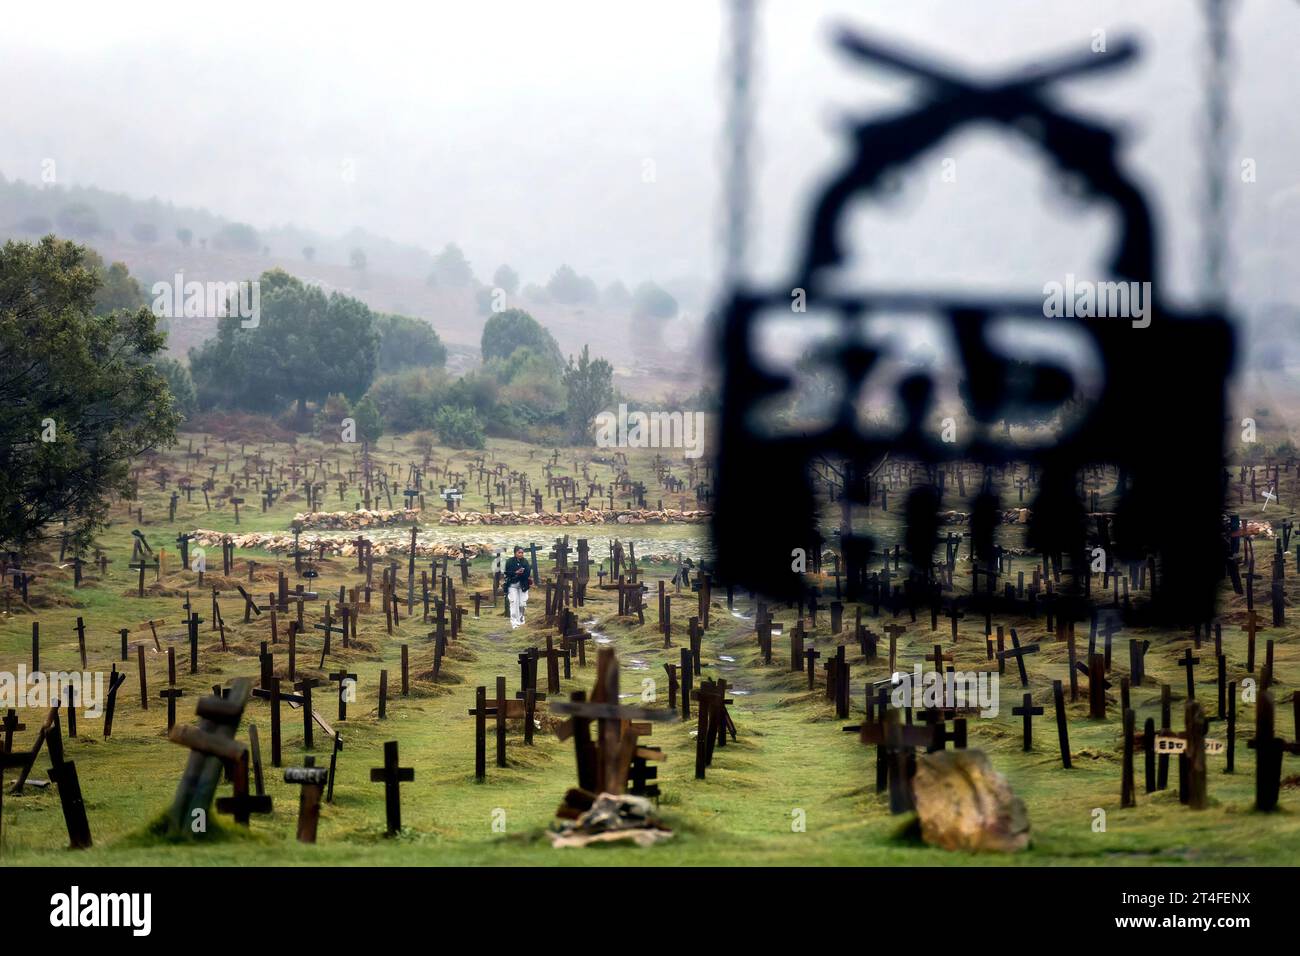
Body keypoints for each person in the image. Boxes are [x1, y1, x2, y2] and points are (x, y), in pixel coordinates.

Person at [504, 545, 532, 628]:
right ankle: (514, 623)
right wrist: (516, 572)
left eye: (522, 553)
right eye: (519, 552)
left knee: (522, 603)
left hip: (523, 585)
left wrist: (522, 573)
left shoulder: (525, 562)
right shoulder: (509, 561)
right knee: (514, 603)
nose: (520, 554)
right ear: (515, 553)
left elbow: (528, 573)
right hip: (512, 585)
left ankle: (521, 620)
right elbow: (507, 572)